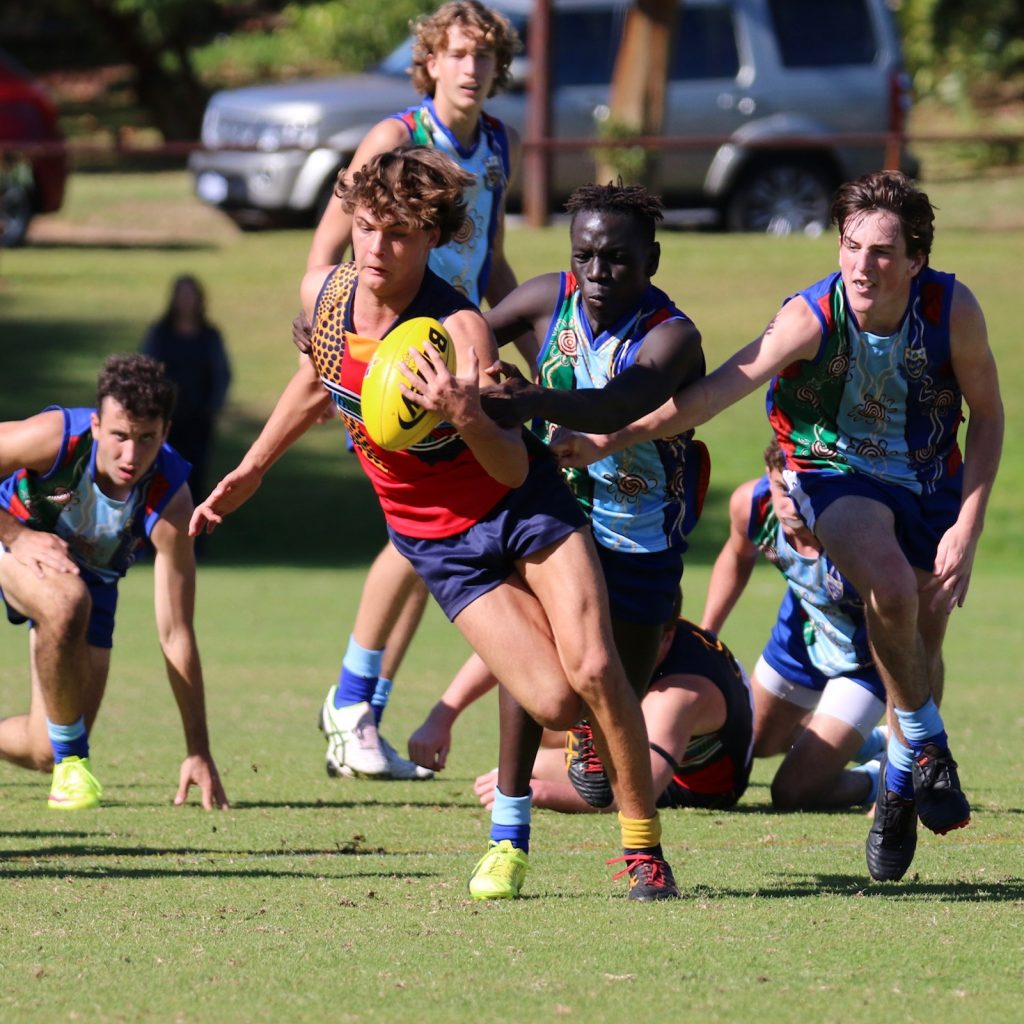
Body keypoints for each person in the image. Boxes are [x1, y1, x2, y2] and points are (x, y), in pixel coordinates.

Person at [190, 146, 678, 901]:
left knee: (592, 666)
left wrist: (467, 415)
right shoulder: (329, 299)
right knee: (554, 700)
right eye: (367, 228)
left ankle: (643, 849)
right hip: (439, 542)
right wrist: (253, 468)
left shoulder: (457, 328)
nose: (378, 249)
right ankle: (536, 800)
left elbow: (513, 467)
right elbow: (318, 381)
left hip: (522, 509)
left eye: (400, 236)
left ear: (434, 240)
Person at [548, 171, 1004, 882]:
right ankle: (928, 745)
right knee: (888, 585)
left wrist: (968, 526)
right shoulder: (810, 315)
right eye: (851, 246)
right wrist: (609, 438)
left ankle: (900, 782)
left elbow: (991, 417)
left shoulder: (953, 309)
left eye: (882, 252)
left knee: (921, 638)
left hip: (927, 477)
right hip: (831, 469)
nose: (861, 265)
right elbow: (711, 394)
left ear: (916, 259)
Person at [299, 1, 526, 782]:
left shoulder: (501, 144)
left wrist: (537, 351)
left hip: (452, 359)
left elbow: (491, 262)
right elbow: (324, 254)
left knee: (427, 537)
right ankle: (354, 704)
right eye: (456, 53)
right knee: (414, 532)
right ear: (429, 61)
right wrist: (330, 331)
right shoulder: (396, 139)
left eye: (484, 57)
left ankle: (361, 710)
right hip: (379, 358)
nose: (470, 68)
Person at [465, 180, 707, 869]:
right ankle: (509, 836)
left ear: (651, 260)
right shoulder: (548, 298)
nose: (598, 275)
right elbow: (473, 326)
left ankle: (597, 758)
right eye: (586, 257)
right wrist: (476, 366)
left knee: (606, 723)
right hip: (552, 520)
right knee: (528, 679)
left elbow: (617, 404)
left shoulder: (674, 337)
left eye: (618, 259)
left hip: (640, 545)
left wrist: (531, 399)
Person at [0, 353, 229, 811]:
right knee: (67, 600)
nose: (131, 455)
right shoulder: (56, 438)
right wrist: (18, 536)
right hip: (11, 536)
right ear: (98, 425)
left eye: (147, 439)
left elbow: (175, 633)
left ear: (165, 432)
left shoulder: (170, 500)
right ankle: (75, 761)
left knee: (43, 749)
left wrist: (198, 749)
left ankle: (62, 757)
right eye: (120, 435)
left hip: (92, 586)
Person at [410, 598, 755, 815]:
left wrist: (541, 794)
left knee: (529, 766)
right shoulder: (626, 627)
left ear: (665, 638)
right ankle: (588, 743)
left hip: (688, 783)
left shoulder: (678, 695)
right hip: (643, 737)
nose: (611, 648)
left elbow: (640, 791)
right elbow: (512, 645)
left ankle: (587, 749)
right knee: (542, 712)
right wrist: (444, 714)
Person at [701, 439, 886, 811]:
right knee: (750, 742)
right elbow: (737, 556)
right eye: (782, 488)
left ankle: (882, 777)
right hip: (798, 645)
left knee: (793, 792)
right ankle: (863, 740)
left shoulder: (856, 534)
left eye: (801, 490)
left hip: (865, 664)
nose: (790, 504)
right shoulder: (754, 505)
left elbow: (905, 624)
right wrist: (707, 636)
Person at [141, 274, 231, 505]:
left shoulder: (210, 335)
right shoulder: (160, 333)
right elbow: (147, 370)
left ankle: (193, 526)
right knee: (160, 474)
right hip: (165, 418)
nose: (185, 301)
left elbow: (222, 373)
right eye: (181, 295)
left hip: (199, 419)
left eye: (190, 295)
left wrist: (213, 406)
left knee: (194, 475)